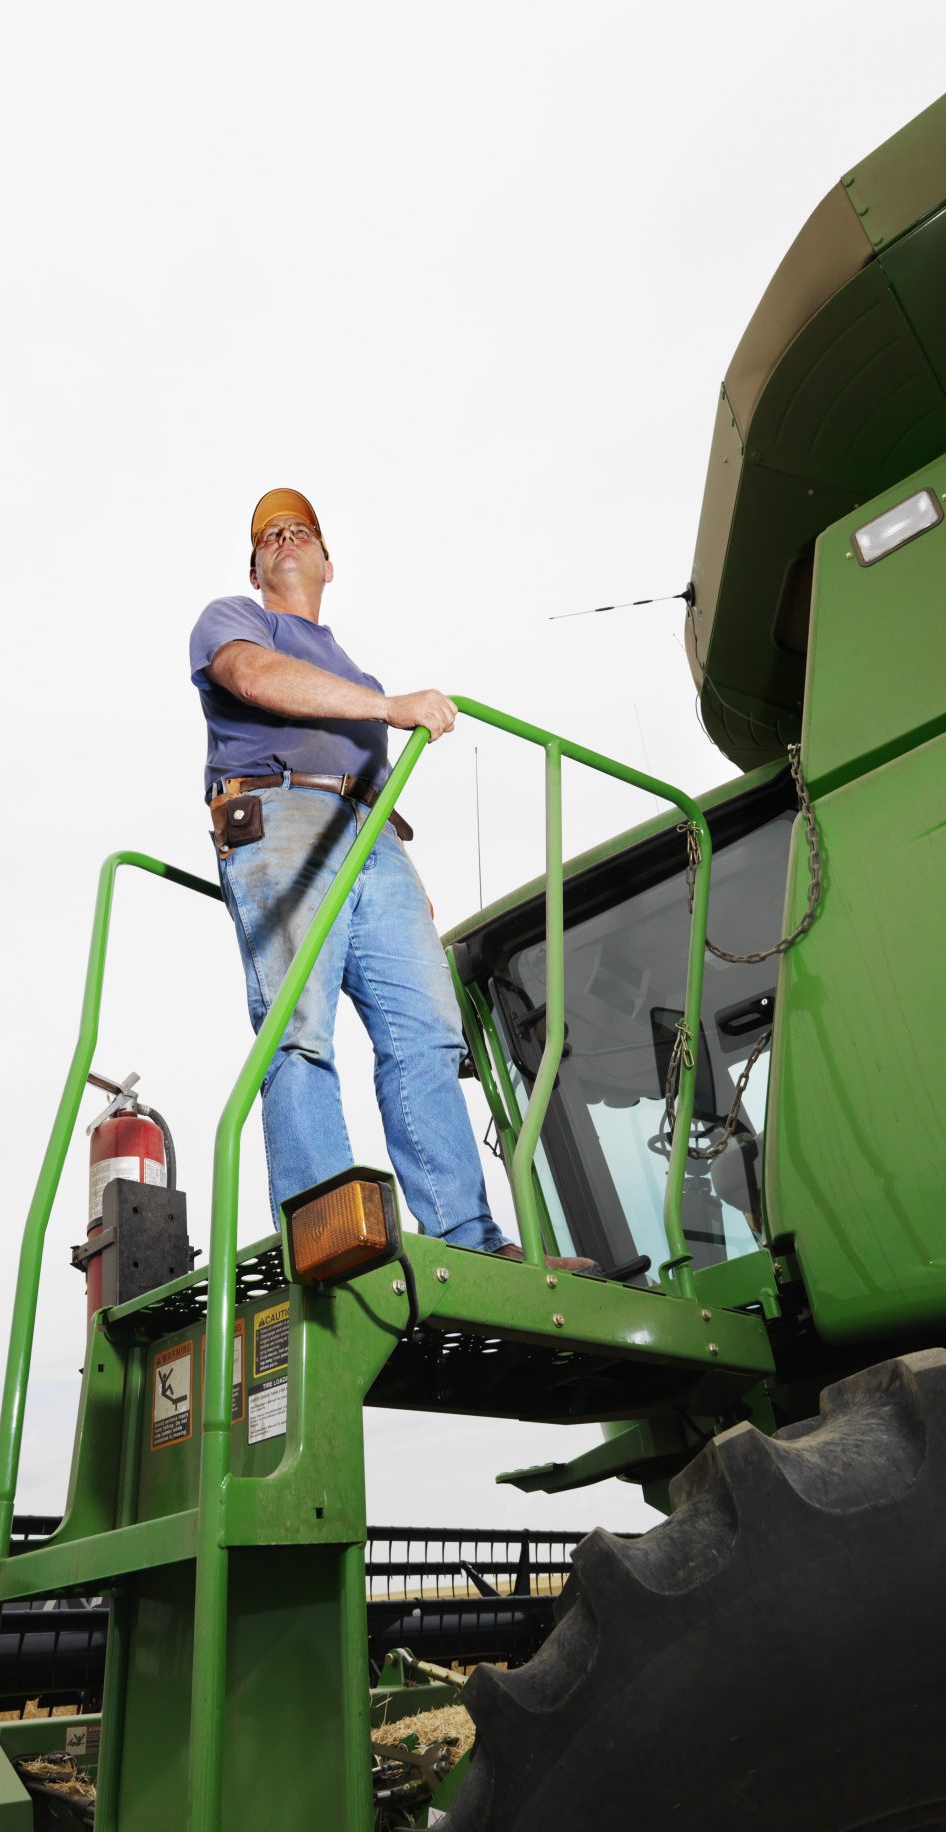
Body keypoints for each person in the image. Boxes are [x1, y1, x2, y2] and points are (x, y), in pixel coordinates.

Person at [189, 487, 591, 1269]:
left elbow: (369, 777)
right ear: (255, 569)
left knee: (428, 1032)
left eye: (301, 530)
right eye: (270, 535)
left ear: (328, 562)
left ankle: (468, 1238)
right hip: (280, 816)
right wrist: (386, 706)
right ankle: (327, 1231)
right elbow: (255, 677)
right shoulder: (236, 621)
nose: (285, 538)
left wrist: (404, 878)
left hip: (372, 838)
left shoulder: (353, 672)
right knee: (299, 1027)